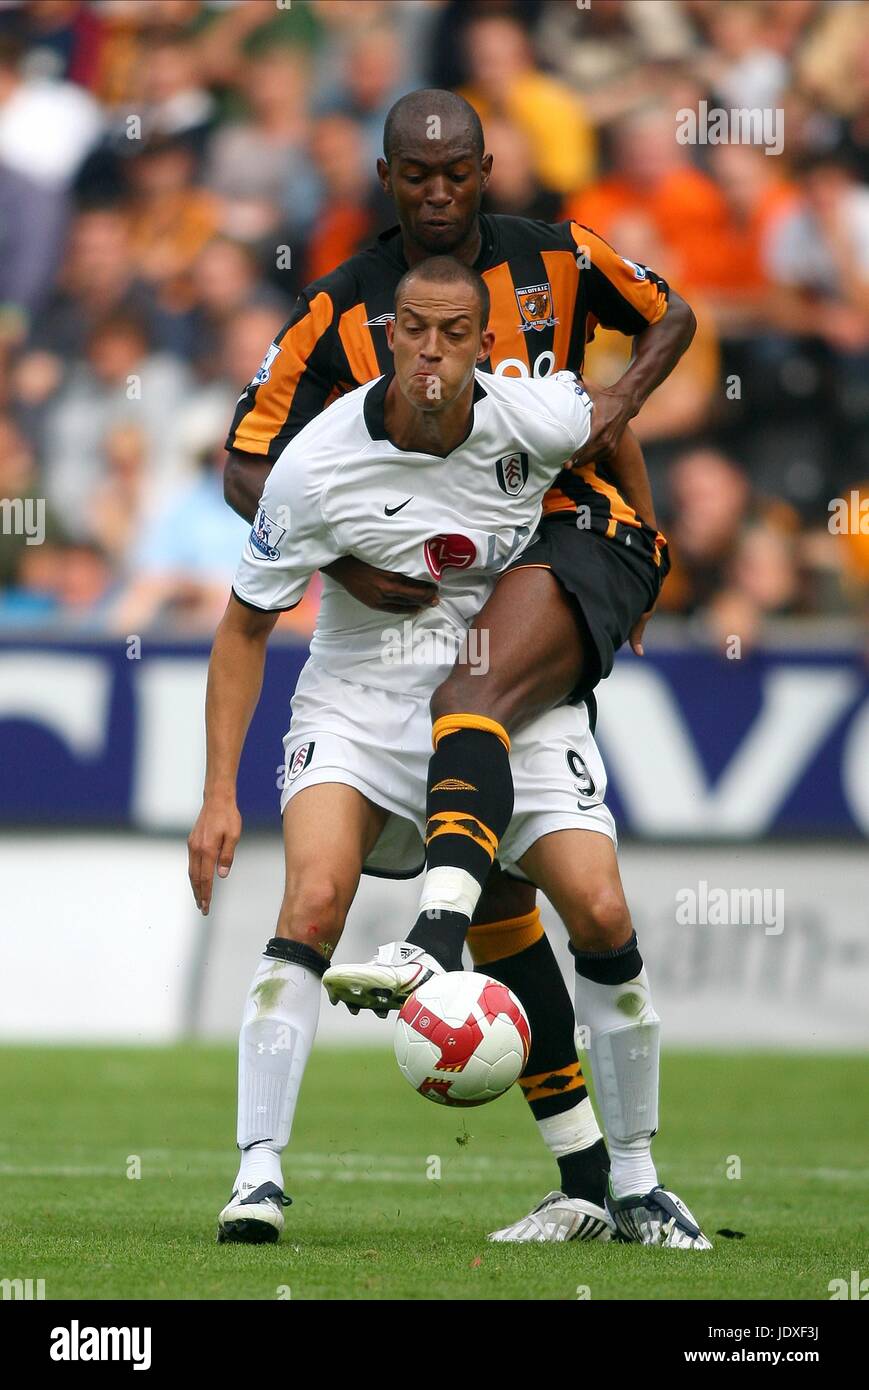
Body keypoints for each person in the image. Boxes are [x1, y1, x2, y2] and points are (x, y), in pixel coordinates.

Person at [221, 88, 696, 1242]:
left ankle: (446, 965)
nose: (437, 193)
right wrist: (336, 557)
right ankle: (596, 1185)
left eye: (457, 172)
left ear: (486, 171)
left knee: (476, 705)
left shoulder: (553, 266)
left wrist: (637, 506)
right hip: (419, 625)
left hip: (563, 543)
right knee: (517, 896)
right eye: (414, 175)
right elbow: (250, 467)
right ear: (386, 181)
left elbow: (660, 327)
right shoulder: (339, 306)